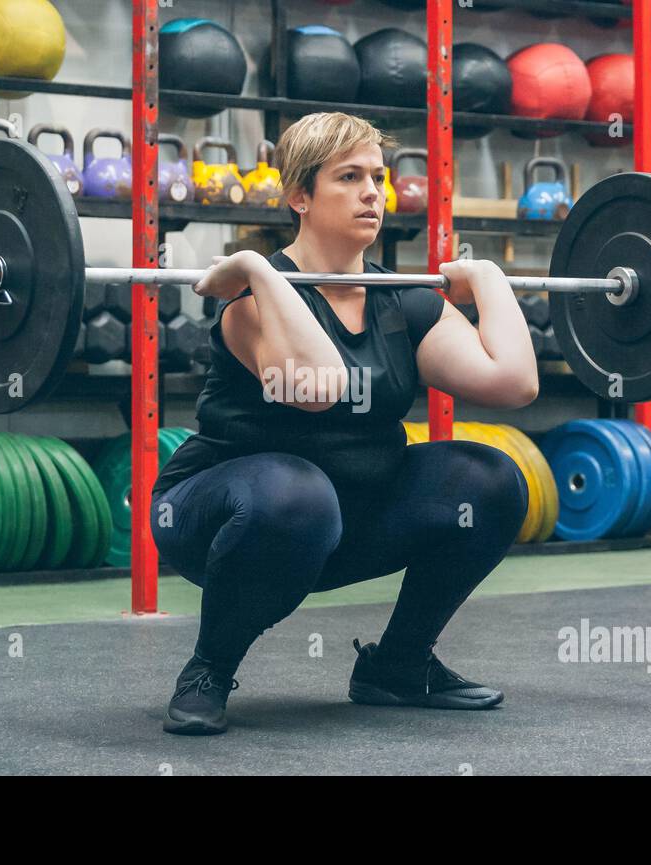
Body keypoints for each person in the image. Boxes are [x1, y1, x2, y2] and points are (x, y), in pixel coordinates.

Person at [151, 112, 539, 735]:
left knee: (491, 478)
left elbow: (513, 383)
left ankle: (399, 665)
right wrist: (257, 270)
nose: (372, 193)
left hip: (347, 522)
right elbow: (316, 388)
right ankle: (209, 668)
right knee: (296, 491)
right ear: (299, 196)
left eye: (378, 178)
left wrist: (490, 280)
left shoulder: (402, 301)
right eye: (350, 177)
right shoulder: (248, 305)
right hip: (226, 521)